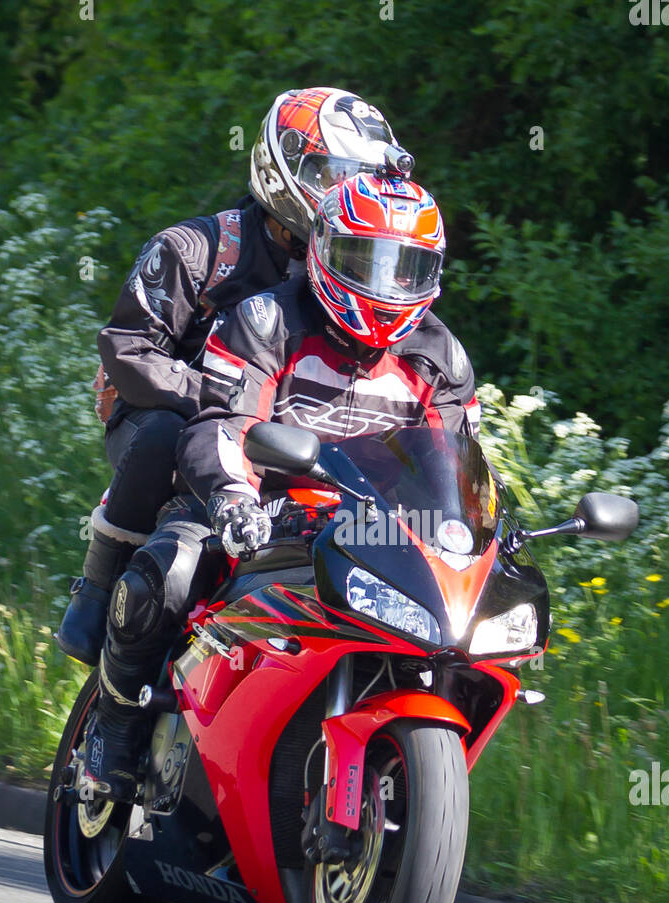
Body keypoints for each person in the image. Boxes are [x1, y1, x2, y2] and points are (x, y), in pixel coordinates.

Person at [82, 171, 480, 803]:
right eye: (364, 260)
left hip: (366, 533)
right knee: (170, 570)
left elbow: (454, 469)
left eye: (402, 267)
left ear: (429, 274)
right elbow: (224, 421)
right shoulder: (267, 318)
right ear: (323, 246)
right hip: (255, 506)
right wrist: (233, 496)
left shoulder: (442, 359)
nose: (382, 286)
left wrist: (472, 537)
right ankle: (115, 723)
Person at [57, 87, 413, 666]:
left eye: (359, 178)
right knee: (161, 434)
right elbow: (126, 348)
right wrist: (218, 395)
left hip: (282, 429)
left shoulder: (356, 262)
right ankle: (99, 588)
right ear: (281, 167)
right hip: (177, 414)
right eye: (331, 175)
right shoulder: (196, 249)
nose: (345, 193)